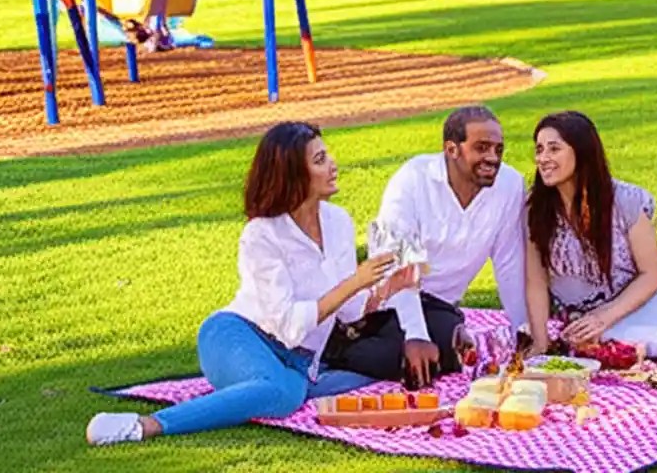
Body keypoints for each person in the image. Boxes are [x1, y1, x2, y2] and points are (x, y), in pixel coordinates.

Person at [85, 122, 415, 446]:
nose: (333, 165)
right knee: (282, 394)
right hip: (238, 334)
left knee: (342, 382)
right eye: (319, 160)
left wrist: (383, 289)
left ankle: (264, 389)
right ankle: (148, 425)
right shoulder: (262, 235)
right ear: (293, 175)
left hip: (300, 361)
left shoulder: (338, 221)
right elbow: (288, 325)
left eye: (327, 155)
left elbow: (348, 310)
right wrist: (354, 281)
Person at [322, 106, 528, 389]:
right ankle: (336, 346)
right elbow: (396, 264)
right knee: (410, 356)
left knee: (453, 349)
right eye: (481, 148)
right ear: (452, 149)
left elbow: (509, 263)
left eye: (498, 149)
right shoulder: (413, 179)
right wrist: (415, 334)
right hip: (387, 301)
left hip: (440, 308)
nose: (492, 157)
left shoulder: (510, 184)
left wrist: (522, 332)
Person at [524, 111, 657, 359]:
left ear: (582, 151)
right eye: (539, 150)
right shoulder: (535, 209)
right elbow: (536, 282)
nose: (543, 158)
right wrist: (540, 343)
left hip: (643, 302)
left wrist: (604, 317)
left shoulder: (625, 201)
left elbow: (651, 274)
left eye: (554, 149)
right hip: (583, 316)